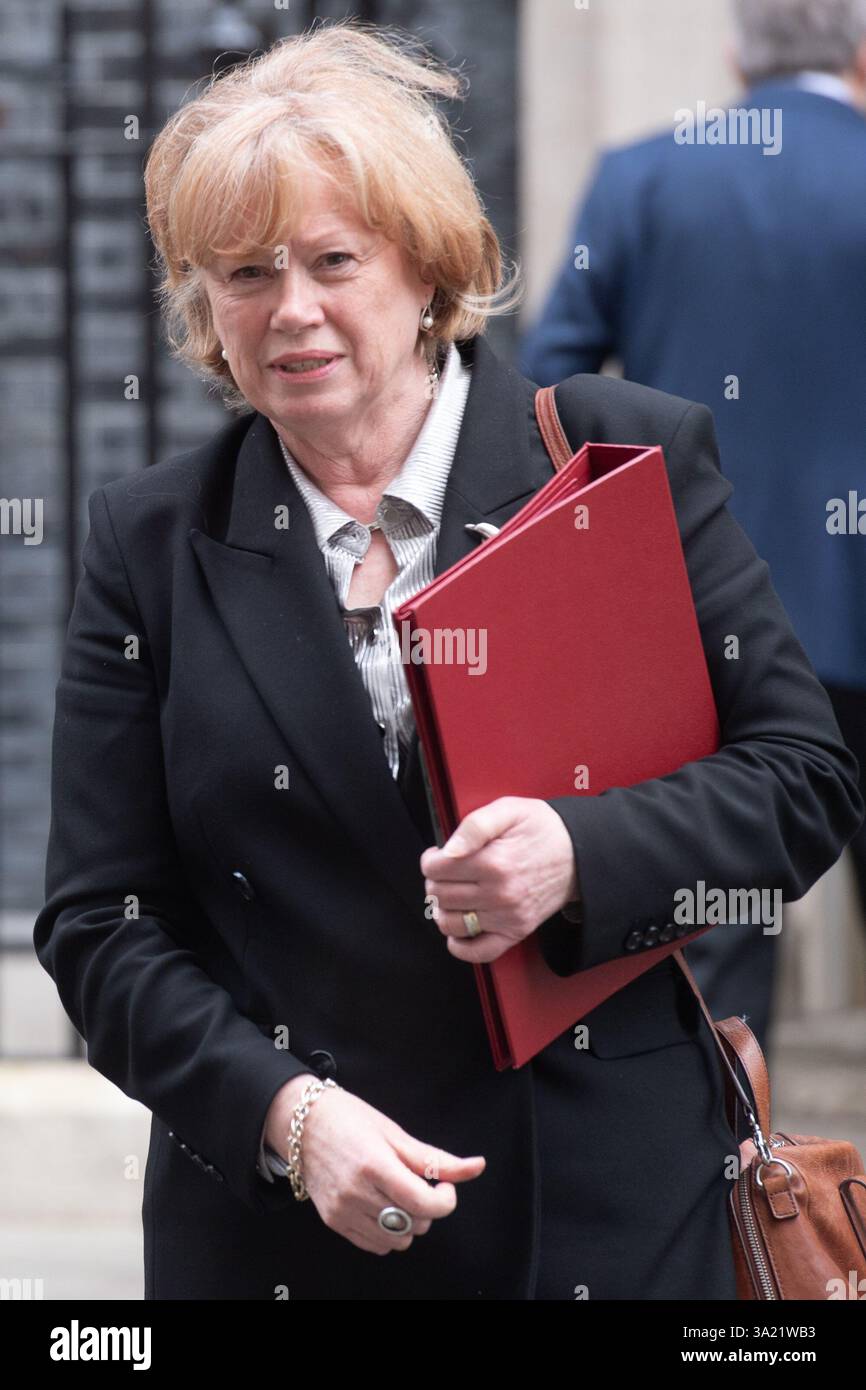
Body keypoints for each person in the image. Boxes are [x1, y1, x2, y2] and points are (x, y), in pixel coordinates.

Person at [34, 20, 862, 1301]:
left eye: (331, 260)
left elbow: (801, 779)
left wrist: (582, 852)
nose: (291, 309)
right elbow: (102, 925)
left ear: (426, 269)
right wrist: (289, 1120)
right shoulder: (151, 541)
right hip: (288, 1235)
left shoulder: (615, 464)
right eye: (244, 273)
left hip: (604, 1214)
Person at [518, 0, 866, 1048]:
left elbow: (546, 384)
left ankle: (728, 1193)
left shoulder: (641, 178)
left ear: (732, 54)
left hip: (695, 613)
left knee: (714, 943)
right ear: (856, 55)